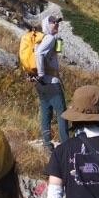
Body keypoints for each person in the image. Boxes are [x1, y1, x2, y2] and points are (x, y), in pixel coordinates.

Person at [34, 12, 69, 147]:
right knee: (62, 113)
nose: (56, 24)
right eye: (53, 22)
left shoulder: (41, 39)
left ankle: (47, 144)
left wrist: (40, 76)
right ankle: (66, 145)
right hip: (51, 83)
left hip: (41, 84)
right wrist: (41, 73)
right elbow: (39, 53)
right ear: (47, 25)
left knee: (46, 112)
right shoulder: (49, 38)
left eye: (57, 22)